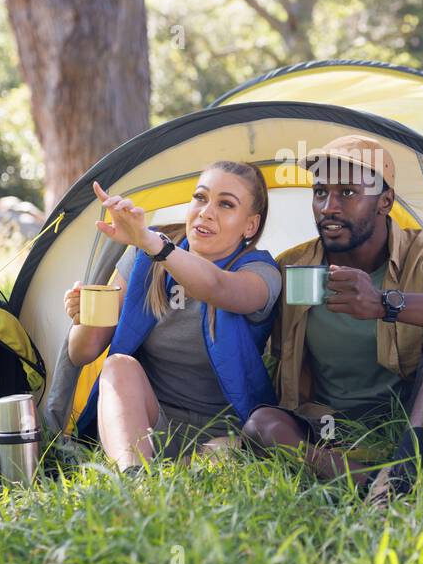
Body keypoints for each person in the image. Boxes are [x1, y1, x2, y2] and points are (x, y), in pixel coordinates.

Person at [242, 134, 423, 504]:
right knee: (262, 426)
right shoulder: (294, 267)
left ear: (385, 201)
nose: (328, 207)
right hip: (329, 427)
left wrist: (386, 303)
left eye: (348, 193)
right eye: (320, 192)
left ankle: (410, 466)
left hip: (419, 413)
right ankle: (373, 484)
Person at [63, 160, 281, 470]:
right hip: (152, 427)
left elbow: (217, 287)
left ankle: (175, 471)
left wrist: (154, 244)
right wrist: (83, 316)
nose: (206, 212)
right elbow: (81, 351)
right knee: (118, 365)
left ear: (250, 226)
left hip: (225, 433)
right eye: (200, 197)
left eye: (226, 204)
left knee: (225, 453)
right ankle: (133, 476)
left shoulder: (260, 271)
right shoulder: (145, 258)